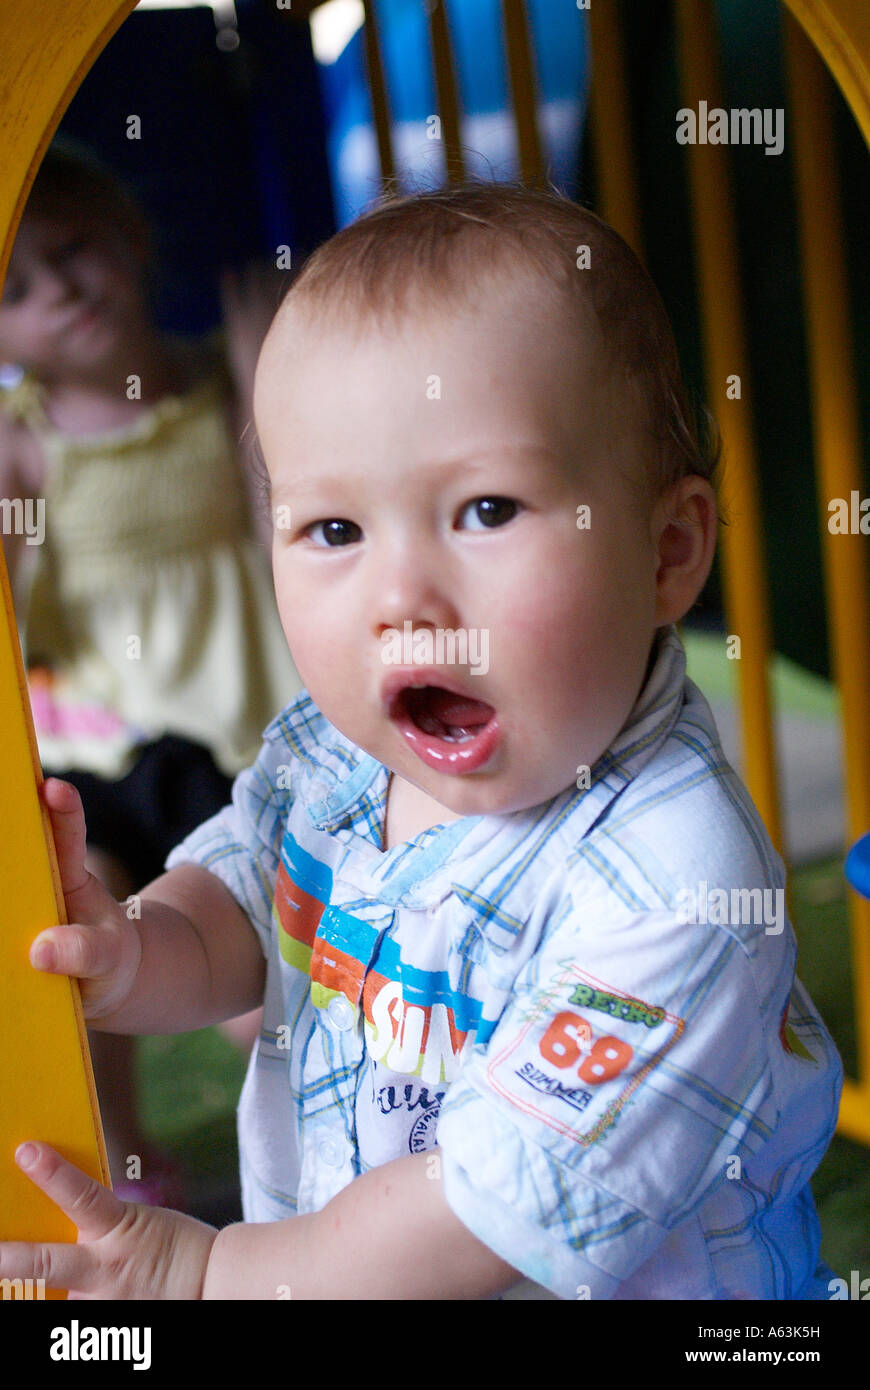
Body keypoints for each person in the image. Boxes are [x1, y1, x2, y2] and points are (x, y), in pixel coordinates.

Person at [1, 181, 843, 1299]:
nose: (402, 594)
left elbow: (478, 1217)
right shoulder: (336, 751)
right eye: (337, 528)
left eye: (486, 509)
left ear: (668, 551)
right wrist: (137, 949)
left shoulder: (675, 889)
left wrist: (213, 1276)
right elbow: (250, 900)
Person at [0, 141, 301, 1205]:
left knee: (250, 960)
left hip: (224, 735)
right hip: (93, 748)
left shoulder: (219, 385)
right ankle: (120, 1145)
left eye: (75, 249)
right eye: (17, 288)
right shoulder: (28, 442)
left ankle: (327, 1128)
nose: (60, 292)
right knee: (89, 945)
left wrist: (272, 385)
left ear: (131, 238)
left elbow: (286, 531)